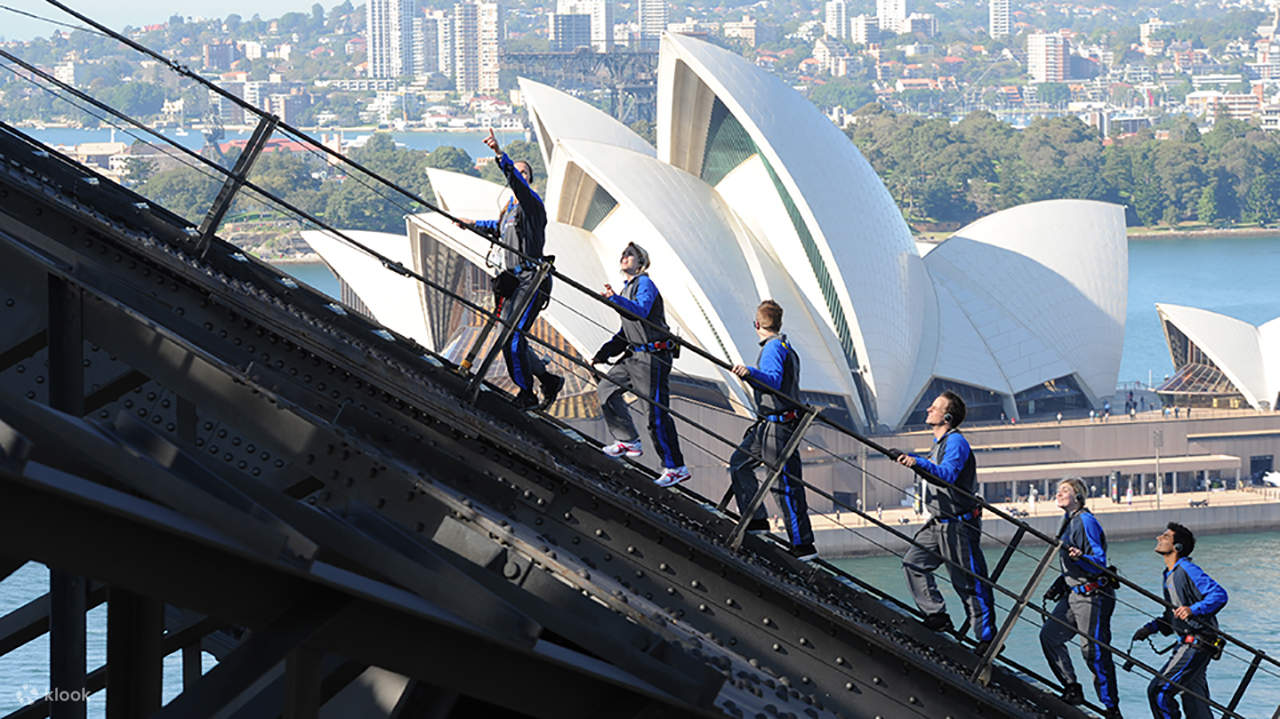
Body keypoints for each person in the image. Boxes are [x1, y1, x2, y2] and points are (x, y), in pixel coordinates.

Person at [456, 129, 562, 410]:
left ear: (529, 179)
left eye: (524, 172)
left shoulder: (532, 205)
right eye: (518, 172)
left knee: (513, 337)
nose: (519, 174)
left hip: (531, 279)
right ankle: (546, 379)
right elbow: (498, 230)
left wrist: (501, 156)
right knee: (507, 338)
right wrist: (472, 224)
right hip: (514, 280)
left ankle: (527, 393)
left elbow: (517, 183)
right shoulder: (510, 210)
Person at [896, 391, 998, 654]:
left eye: (936, 407)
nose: (929, 408)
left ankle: (986, 639)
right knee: (913, 562)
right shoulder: (938, 443)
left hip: (959, 525)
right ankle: (937, 615)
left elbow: (947, 476)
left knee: (968, 581)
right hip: (938, 522)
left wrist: (916, 463)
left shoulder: (955, 443)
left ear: (948, 417)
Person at [592, 242, 690, 487]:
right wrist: (603, 354)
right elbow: (626, 331)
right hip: (634, 355)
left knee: (655, 414)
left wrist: (614, 299)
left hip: (652, 359)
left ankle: (675, 466)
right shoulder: (626, 290)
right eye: (624, 253)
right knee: (606, 388)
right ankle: (628, 440)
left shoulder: (644, 283)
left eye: (631, 255)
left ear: (641, 262)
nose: (625, 257)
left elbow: (641, 311)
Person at [727, 300, 817, 561]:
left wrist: (749, 373)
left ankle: (803, 545)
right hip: (769, 425)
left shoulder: (773, 348)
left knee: (784, 484)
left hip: (778, 427)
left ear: (757, 324)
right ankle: (756, 521)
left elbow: (773, 379)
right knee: (740, 462)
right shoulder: (785, 346)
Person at [1040, 478, 1122, 718]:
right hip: (1073, 593)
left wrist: (1081, 558)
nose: (1059, 493)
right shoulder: (1067, 521)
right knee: (1049, 636)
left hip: (1093, 594)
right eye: (1058, 490)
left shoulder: (1085, 521)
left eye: (1065, 490)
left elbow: (1099, 561)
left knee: (1093, 651)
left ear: (1078, 496)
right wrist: (1060, 583)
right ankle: (1072, 687)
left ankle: (1111, 708)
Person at [1133, 523, 1228, 719]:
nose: (1158, 538)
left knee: (1159, 691)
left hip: (1197, 643)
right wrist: (1149, 629)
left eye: (1165, 536)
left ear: (1177, 547)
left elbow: (1219, 595)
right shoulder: (1169, 574)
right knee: (1195, 703)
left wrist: (1192, 609)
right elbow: (1171, 615)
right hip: (1190, 643)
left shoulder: (1187, 568)